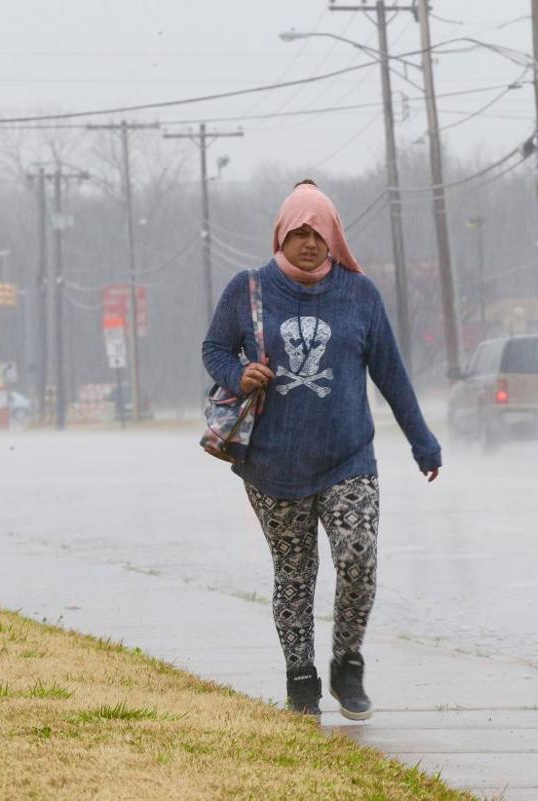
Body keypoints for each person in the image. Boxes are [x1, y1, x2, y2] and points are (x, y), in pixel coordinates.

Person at [202, 180, 441, 719]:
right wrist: (238, 375)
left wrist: (422, 441)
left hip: (348, 458)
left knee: (357, 557)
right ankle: (301, 680)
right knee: (295, 575)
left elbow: (392, 375)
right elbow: (214, 347)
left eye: (320, 232)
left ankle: (347, 664)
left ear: (334, 236)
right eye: (299, 232)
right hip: (272, 465)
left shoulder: (360, 294)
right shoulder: (249, 289)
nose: (309, 243)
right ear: (281, 236)